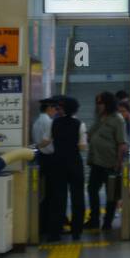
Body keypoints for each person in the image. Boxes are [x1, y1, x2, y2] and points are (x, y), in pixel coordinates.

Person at [44, 96, 86, 242]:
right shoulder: (79, 124)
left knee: (58, 197)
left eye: (59, 107)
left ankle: (55, 232)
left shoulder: (53, 123)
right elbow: (82, 147)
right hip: (74, 162)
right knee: (77, 197)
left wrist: (36, 147)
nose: (58, 109)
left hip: (57, 163)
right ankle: (76, 231)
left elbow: (45, 141)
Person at [86, 91, 128, 231]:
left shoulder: (118, 119)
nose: (98, 106)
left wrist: (119, 162)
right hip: (96, 161)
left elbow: (122, 144)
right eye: (97, 103)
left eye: (101, 103)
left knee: (111, 195)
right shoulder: (99, 118)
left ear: (108, 103)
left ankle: (107, 221)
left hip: (110, 163)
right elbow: (90, 134)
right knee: (92, 190)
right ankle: (94, 218)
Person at [32, 98, 59, 231]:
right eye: (55, 109)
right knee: (51, 193)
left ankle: (42, 223)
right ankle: (48, 224)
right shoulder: (49, 122)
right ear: (49, 108)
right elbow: (49, 143)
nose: (56, 112)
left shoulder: (37, 122)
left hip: (40, 158)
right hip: (49, 159)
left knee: (44, 193)